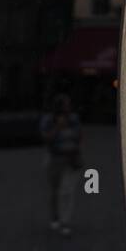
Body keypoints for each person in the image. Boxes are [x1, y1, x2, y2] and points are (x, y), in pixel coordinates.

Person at [40, 94, 82, 236]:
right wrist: (58, 128)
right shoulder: (48, 120)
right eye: (65, 105)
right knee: (55, 191)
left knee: (67, 191)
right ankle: (55, 217)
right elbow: (46, 138)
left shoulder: (74, 119)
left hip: (70, 158)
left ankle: (65, 220)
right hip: (55, 158)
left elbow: (78, 137)